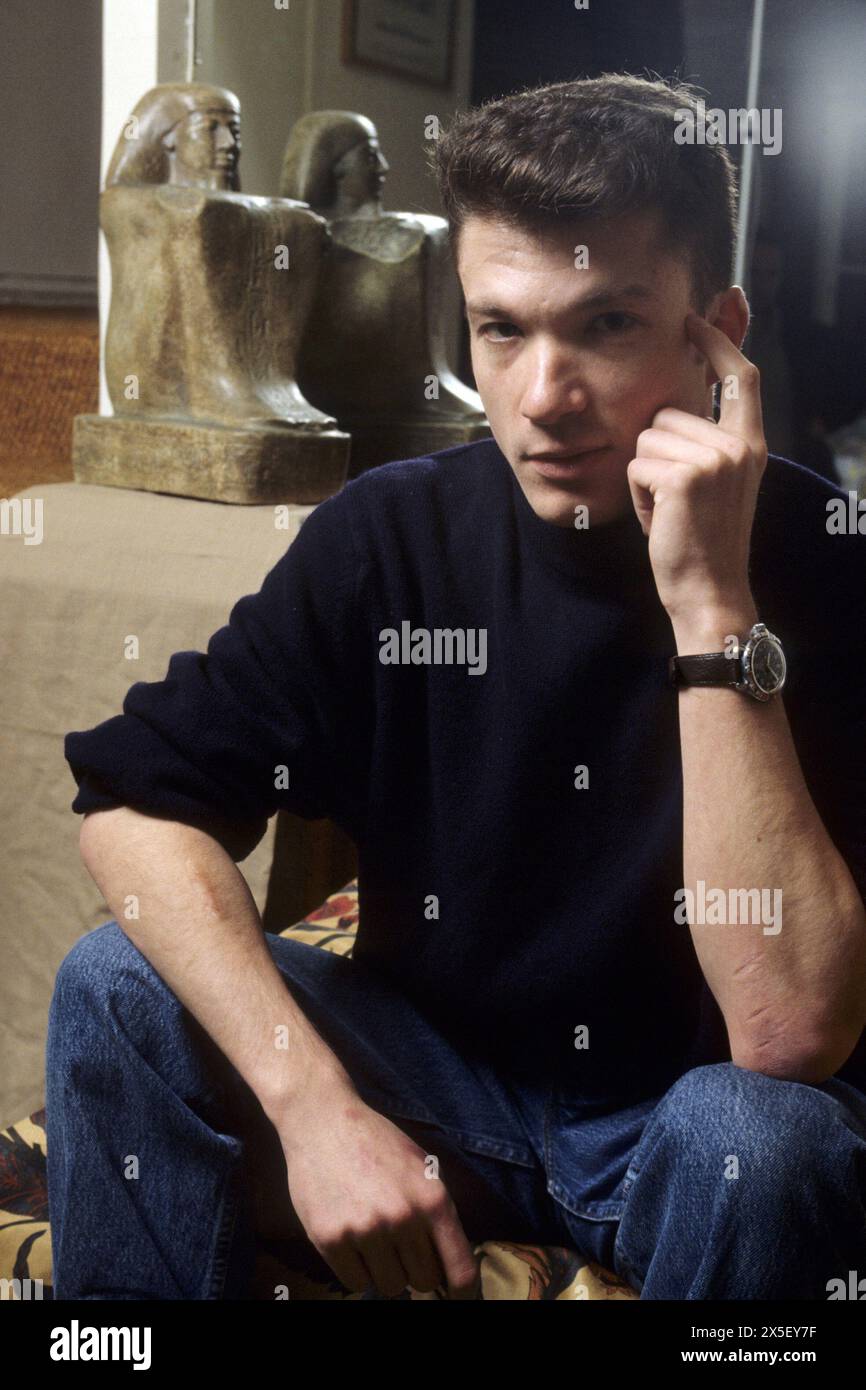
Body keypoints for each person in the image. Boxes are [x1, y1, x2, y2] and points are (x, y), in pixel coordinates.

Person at [49, 73, 866, 1301]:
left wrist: (710, 607)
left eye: (605, 324)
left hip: (686, 1126)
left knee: (768, 1138)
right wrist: (313, 1103)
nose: (542, 398)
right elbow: (134, 809)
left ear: (718, 334)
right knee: (112, 983)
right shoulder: (391, 536)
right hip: (429, 1084)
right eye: (500, 329)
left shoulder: (826, 554)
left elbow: (787, 1032)